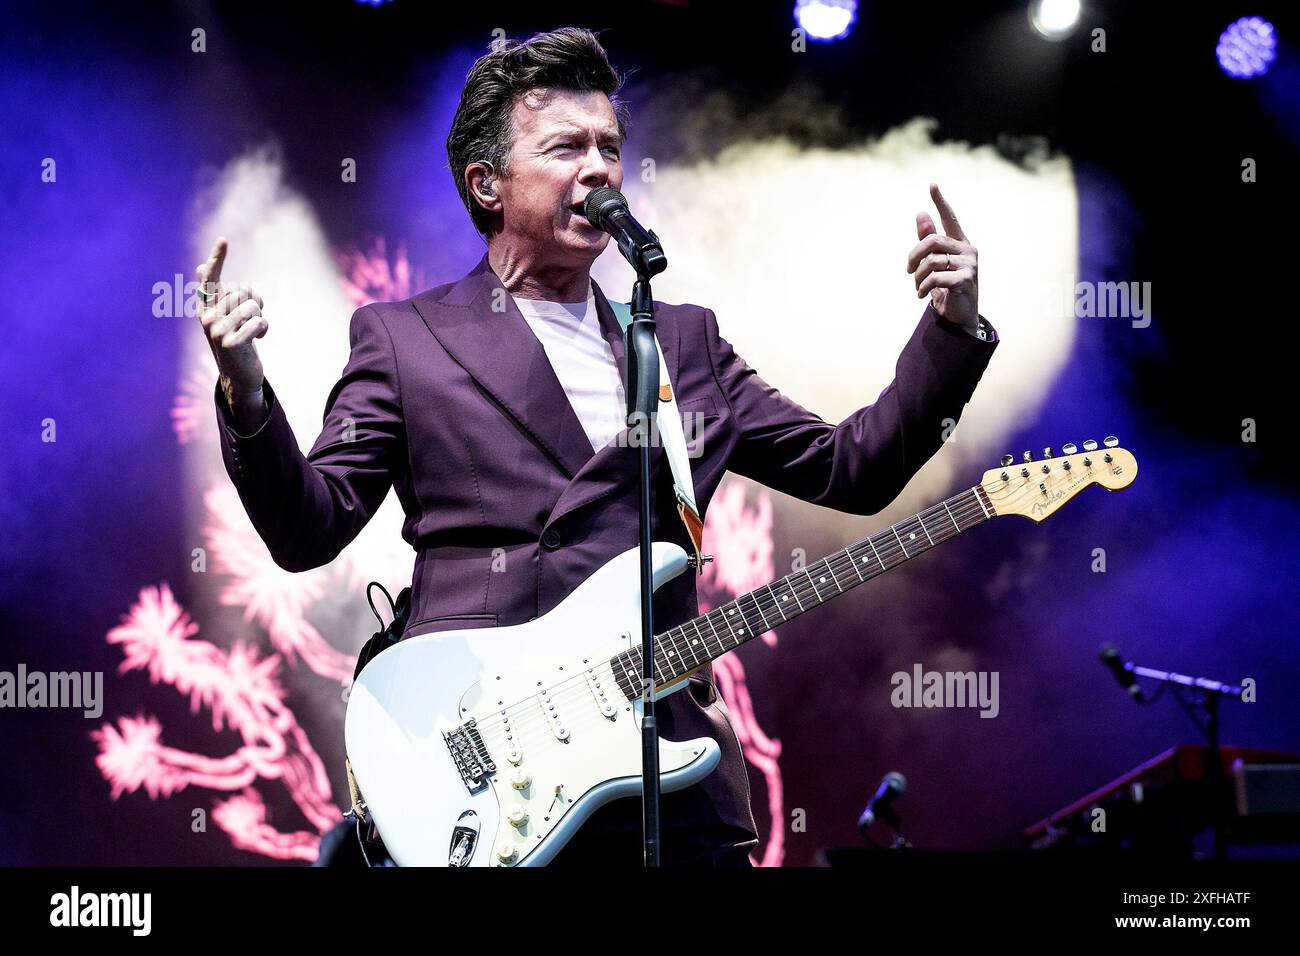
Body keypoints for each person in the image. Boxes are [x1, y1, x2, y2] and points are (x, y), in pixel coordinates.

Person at [197, 27, 997, 867]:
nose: (599, 168)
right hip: (493, 771)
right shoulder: (407, 341)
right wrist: (245, 391)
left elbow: (852, 470)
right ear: (487, 183)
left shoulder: (682, 346)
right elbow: (307, 528)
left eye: (610, 147)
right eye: (566, 147)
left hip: (671, 776)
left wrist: (951, 329)